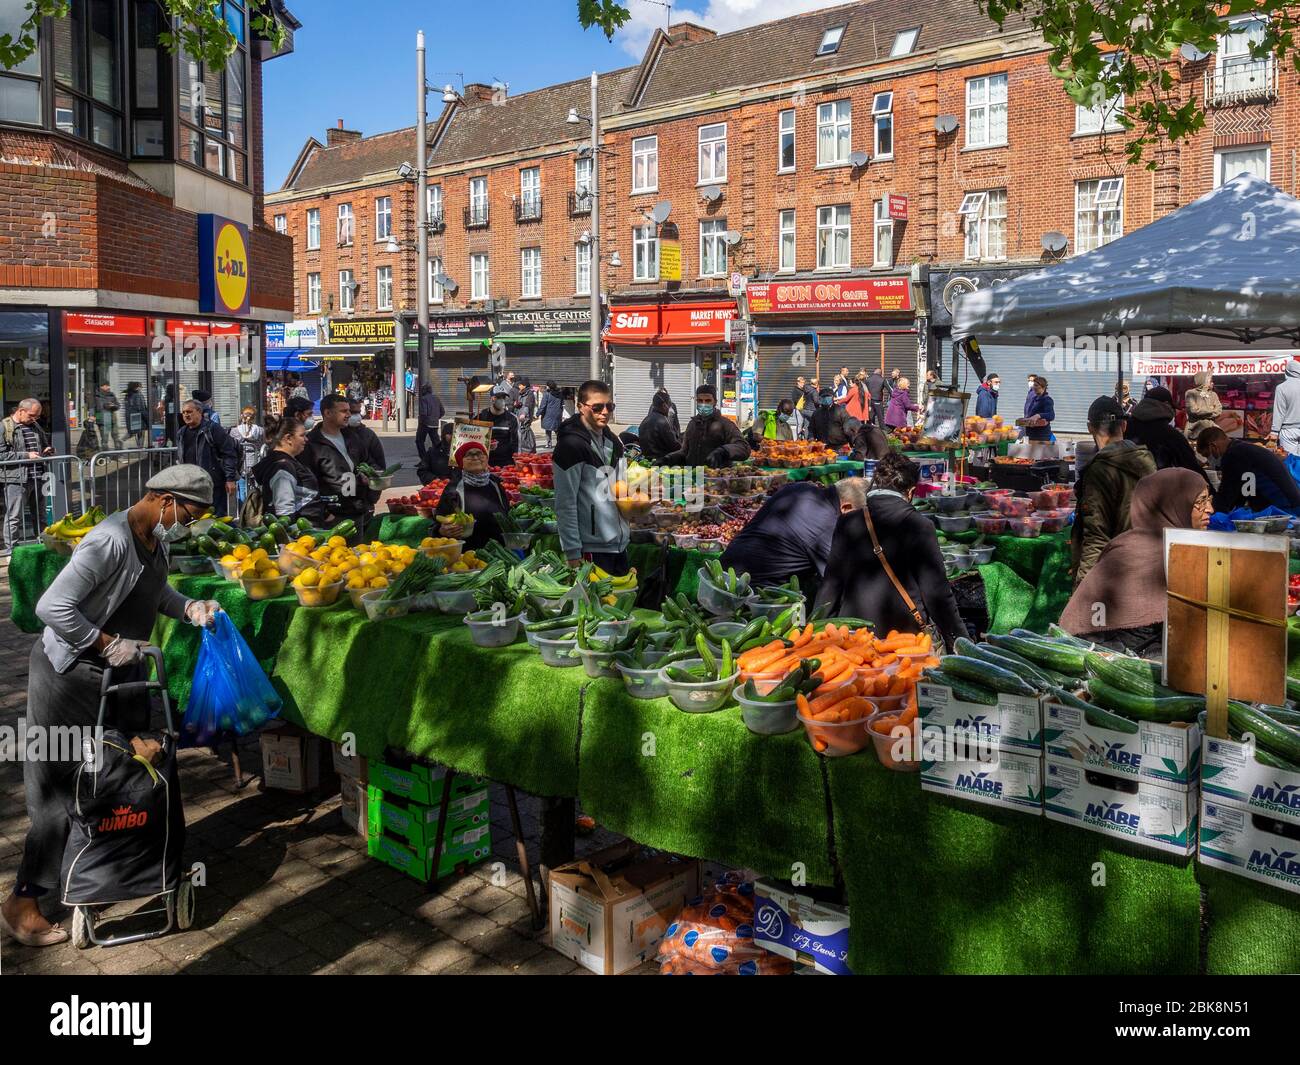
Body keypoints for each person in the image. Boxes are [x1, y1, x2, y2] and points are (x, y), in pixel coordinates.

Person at [1, 465, 218, 947]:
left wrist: (188, 608)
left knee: (124, 773)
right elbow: (51, 607)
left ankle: (100, 870)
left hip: (121, 672)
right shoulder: (110, 540)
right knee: (61, 787)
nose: (190, 523)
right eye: (189, 512)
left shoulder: (151, 539)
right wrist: (104, 643)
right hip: (70, 675)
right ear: (164, 499)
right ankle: (24, 900)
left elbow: (152, 591)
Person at [814, 450, 966, 650]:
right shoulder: (920, 526)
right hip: (904, 641)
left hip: (854, 639)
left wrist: (816, 630)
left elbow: (831, 585)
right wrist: (959, 641)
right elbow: (936, 594)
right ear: (911, 492)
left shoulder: (848, 521)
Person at [1059, 469, 1212, 656]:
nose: (1210, 509)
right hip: (1112, 656)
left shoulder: (1188, 548)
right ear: (1175, 504)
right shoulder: (1133, 552)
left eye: (1209, 500)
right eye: (1200, 502)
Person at [722, 477, 868, 595]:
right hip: (751, 592)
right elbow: (842, 578)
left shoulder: (800, 488)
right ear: (846, 508)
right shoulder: (826, 525)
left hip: (725, 572)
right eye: (862, 518)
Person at [1072, 396, 1157, 586]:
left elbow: (1096, 537)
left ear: (1090, 428)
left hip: (1115, 573)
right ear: (1124, 426)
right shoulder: (1148, 462)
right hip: (1146, 565)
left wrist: (1083, 590)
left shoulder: (1100, 471)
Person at [554, 380, 630, 574]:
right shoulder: (570, 445)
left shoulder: (614, 441)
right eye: (597, 407)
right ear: (581, 407)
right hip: (592, 548)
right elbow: (565, 503)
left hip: (619, 545)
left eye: (609, 406)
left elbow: (621, 490)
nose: (604, 412)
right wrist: (572, 552)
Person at [1195, 426, 1300, 513]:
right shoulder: (1241, 449)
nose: (1209, 460)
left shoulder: (1234, 455)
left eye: (1207, 455)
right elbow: (1241, 493)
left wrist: (1210, 513)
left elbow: (1227, 495)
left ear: (1213, 447)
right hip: (1287, 505)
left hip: (1284, 508)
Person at [435, 440, 511, 550]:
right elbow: (439, 521)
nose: (475, 458)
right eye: (469, 455)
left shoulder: (496, 484)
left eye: (480, 454)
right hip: (469, 555)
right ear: (462, 462)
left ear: (486, 458)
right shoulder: (454, 489)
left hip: (501, 552)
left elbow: (506, 513)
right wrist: (442, 530)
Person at [304, 394, 366, 525]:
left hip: (355, 511)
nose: (349, 414)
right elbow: (306, 483)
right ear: (327, 413)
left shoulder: (352, 437)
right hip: (331, 517)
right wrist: (324, 512)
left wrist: (368, 496)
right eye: (344, 411)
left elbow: (366, 464)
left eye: (349, 410)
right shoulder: (311, 443)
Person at [1122, 386, 1207, 480]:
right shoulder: (1171, 435)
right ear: (1166, 405)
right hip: (1159, 489)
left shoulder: (1124, 427)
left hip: (1124, 488)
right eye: (1172, 408)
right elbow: (1192, 469)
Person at [251, 417, 324, 523]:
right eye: (302, 435)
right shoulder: (282, 466)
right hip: (301, 534)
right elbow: (284, 512)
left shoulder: (287, 461)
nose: (306, 439)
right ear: (288, 438)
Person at [1, 399, 53, 549]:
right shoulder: (5, 427)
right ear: (21, 410)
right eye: (32, 415)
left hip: (38, 476)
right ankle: (12, 551)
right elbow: (1, 455)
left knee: (41, 516)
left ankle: (43, 547)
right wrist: (26, 456)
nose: (34, 419)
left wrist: (47, 450)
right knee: (14, 517)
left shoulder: (35, 425)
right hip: (17, 479)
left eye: (37, 416)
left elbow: (43, 445)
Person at [177, 399, 239, 517]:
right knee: (195, 519)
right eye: (184, 412)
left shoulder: (213, 429)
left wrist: (230, 479)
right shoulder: (181, 433)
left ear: (199, 412)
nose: (186, 415)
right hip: (191, 485)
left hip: (213, 483)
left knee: (217, 519)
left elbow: (228, 453)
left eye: (189, 411)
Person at [665, 385, 751, 468]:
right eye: (700, 400)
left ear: (715, 402)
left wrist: (723, 451)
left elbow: (744, 448)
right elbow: (685, 451)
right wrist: (668, 458)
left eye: (708, 400)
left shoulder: (726, 424)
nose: (703, 404)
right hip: (694, 478)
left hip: (716, 478)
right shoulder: (692, 424)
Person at [228, 405, 266, 505]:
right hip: (255, 463)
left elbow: (231, 448)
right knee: (255, 488)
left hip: (240, 464)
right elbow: (262, 445)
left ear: (241, 416)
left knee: (241, 487)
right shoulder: (260, 431)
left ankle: (242, 511)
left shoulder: (234, 432)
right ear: (254, 417)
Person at [1270, 358, 1300, 477]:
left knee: (1288, 465)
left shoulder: (1282, 388)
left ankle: (1293, 491)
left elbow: (1279, 412)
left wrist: (1274, 431)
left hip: (1288, 431)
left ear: (1287, 372)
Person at [638, 390, 682, 460]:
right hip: (662, 462)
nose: (670, 409)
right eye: (669, 405)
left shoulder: (645, 420)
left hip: (647, 460)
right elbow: (675, 446)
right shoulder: (663, 421)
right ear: (664, 405)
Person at [1019, 376, 1056, 459]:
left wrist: (1039, 415)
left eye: (1036, 385)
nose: (1033, 387)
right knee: (1031, 458)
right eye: (1033, 385)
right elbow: (1030, 416)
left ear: (1043, 387)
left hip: (1041, 436)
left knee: (1041, 458)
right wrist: (1025, 420)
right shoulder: (1034, 399)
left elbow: (1051, 415)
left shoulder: (1047, 400)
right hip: (1031, 434)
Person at [484, 390, 520, 468]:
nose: (502, 401)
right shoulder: (482, 416)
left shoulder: (512, 418)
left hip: (506, 464)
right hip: (486, 464)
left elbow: (516, 443)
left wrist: (516, 462)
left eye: (503, 398)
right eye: (499, 398)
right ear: (492, 399)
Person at [416, 384, 445, 462]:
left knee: (419, 441)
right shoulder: (436, 398)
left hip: (425, 423)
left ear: (423, 391)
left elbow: (424, 413)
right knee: (436, 442)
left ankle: (424, 459)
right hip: (434, 423)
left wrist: (422, 422)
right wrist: (436, 418)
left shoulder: (423, 399)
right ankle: (440, 458)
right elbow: (443, 411)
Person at [94, 382, 121, 449]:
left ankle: (117, 454)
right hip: (104, 419)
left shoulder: (111, 395)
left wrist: (113, 406)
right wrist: (98, 420)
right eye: (106, 386)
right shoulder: (97, 396)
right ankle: (105, 455)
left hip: (112, 418)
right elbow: (94, 408)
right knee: (105, 438)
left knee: (116, 436)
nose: (108, 387)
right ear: (101, 387)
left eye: (108, 386)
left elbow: (118, 405)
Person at [538, 380, 565, 448]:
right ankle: (561, 443)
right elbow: (562, 404)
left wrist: (538, 413)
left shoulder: (547, 394)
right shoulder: (560, 394)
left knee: (548, 429)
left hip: (548, 414)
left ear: (549, 386)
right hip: (557, 414)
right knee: (557, 429)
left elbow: (543, 405)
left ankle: (549, 444)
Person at [123, 381, 149, 446]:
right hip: (140, 418)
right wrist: (147, 417)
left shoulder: (128, 395)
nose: (141, 388)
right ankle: (140, 449)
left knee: (133, 433)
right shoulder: (138, 395)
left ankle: (121, 440)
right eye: (140, 387)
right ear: (136, 388)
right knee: (140, 434)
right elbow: (141, 408)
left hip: (132, 418)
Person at [517, 377, 537, 453]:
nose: (519, 386)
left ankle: (527, 452)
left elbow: (528, 405)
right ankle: (523, 451)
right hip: (519, 417)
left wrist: (524, 414)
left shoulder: (530, 394)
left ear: (524, 386)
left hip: (525, 418)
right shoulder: (521, 393)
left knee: (525, 434)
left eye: (520, 385)